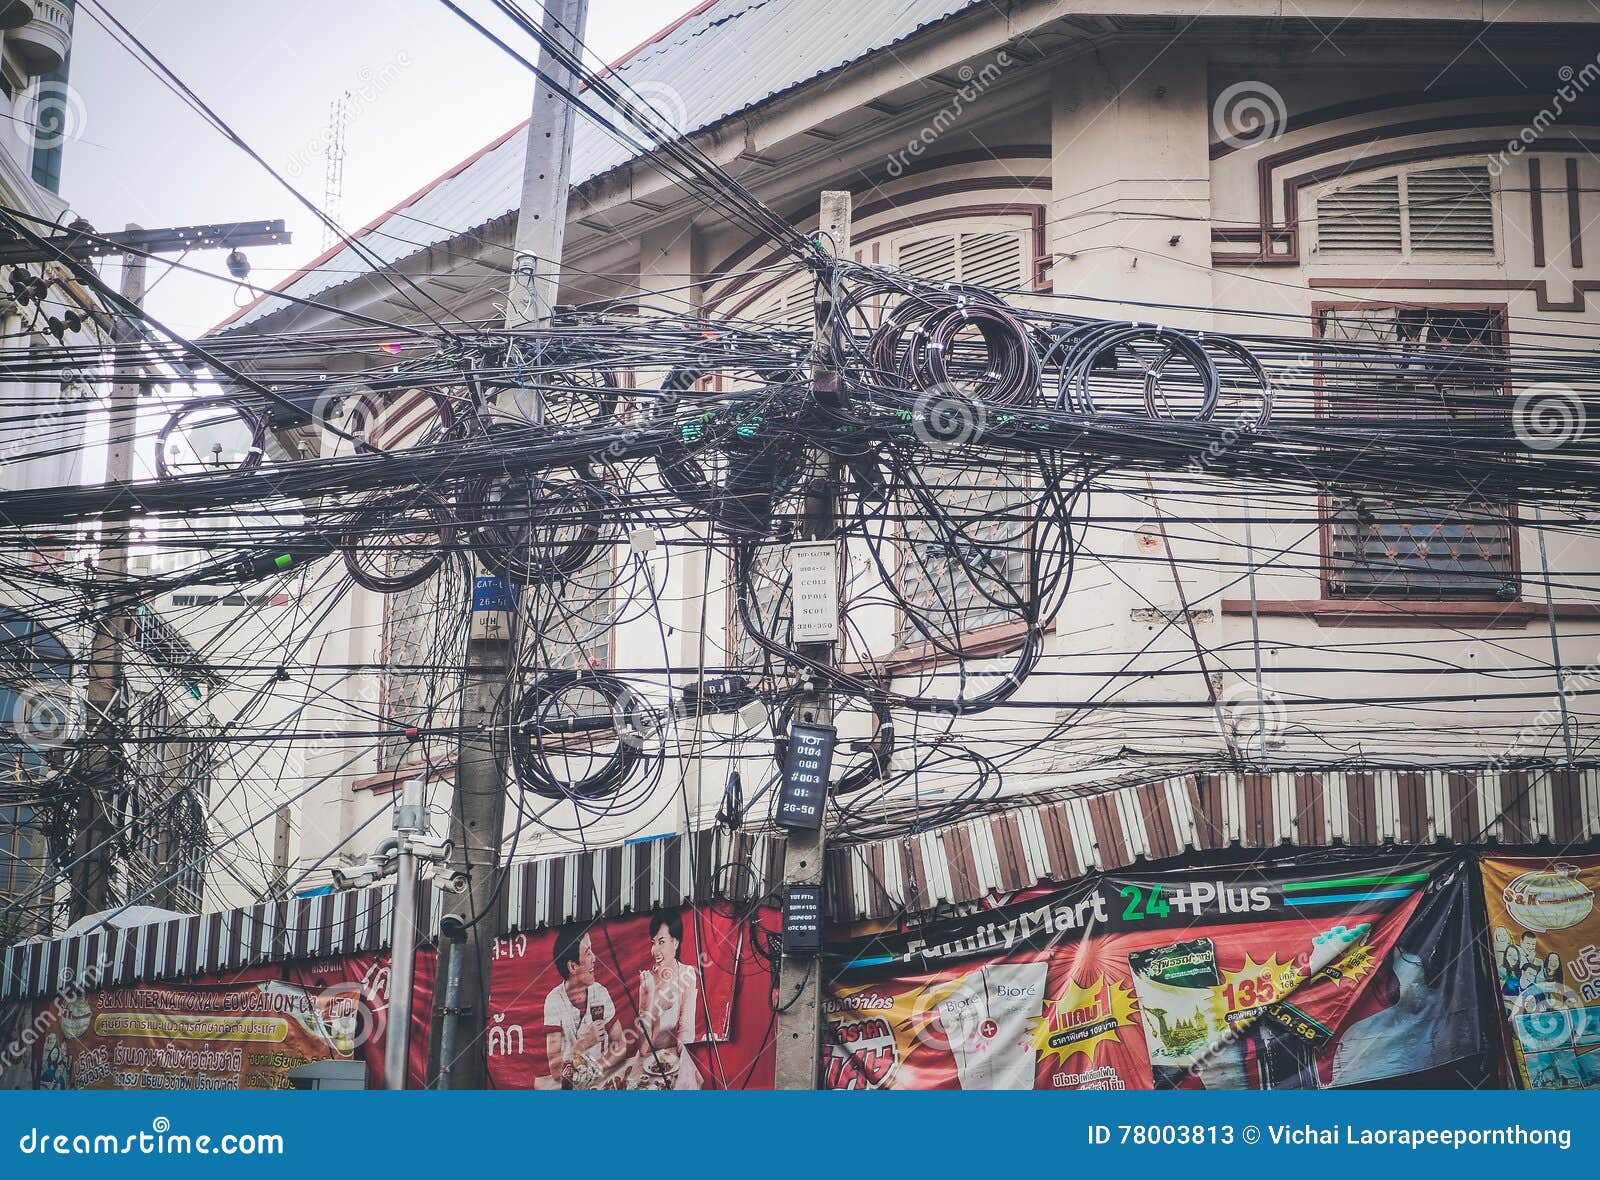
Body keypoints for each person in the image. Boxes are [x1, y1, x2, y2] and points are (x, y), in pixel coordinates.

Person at [542, 926, 624, 1089]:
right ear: (572, 966)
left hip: (601, 1080)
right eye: (588, 953)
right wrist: (583, 1043)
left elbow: (620, 1044)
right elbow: (556, 1071)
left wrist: (597, 1069)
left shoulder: (600, 992)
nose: (594, 958)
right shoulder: (553, 1001)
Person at [635, 909, 701, 1089]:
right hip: (647, 1062)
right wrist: (650, 1000)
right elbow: (642, 1048)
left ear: (676, 942)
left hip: (675, 1057)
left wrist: (680, 1057)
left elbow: (686, 1028)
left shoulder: (687, 974)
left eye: (662, 942)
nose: (655, 950)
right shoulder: (647, 980)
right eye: (653, 943)